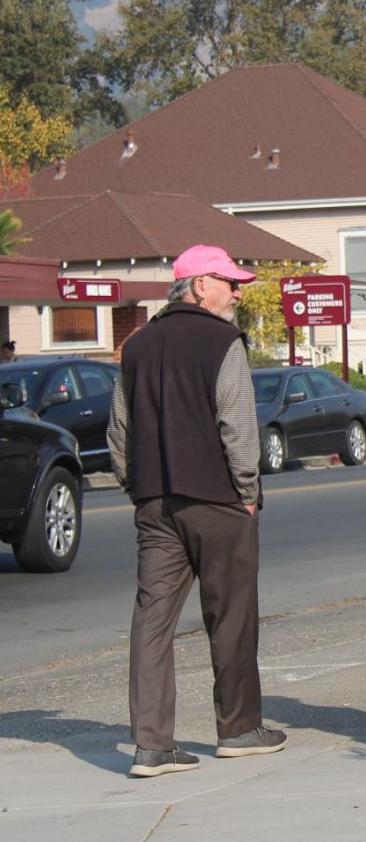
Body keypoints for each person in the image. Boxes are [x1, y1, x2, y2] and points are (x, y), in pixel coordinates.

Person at [107, 244, 286, 778]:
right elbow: (236, 422)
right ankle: (238, 729)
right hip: (218, 500)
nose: (237, 291)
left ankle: (151, 746)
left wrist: (136, 485)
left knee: (152, 621)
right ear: (199, 285)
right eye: (230, 282)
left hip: (155, 503)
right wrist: (248, 489)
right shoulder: (222, 340)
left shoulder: (137, 345)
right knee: (230, 615)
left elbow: (120, 430)